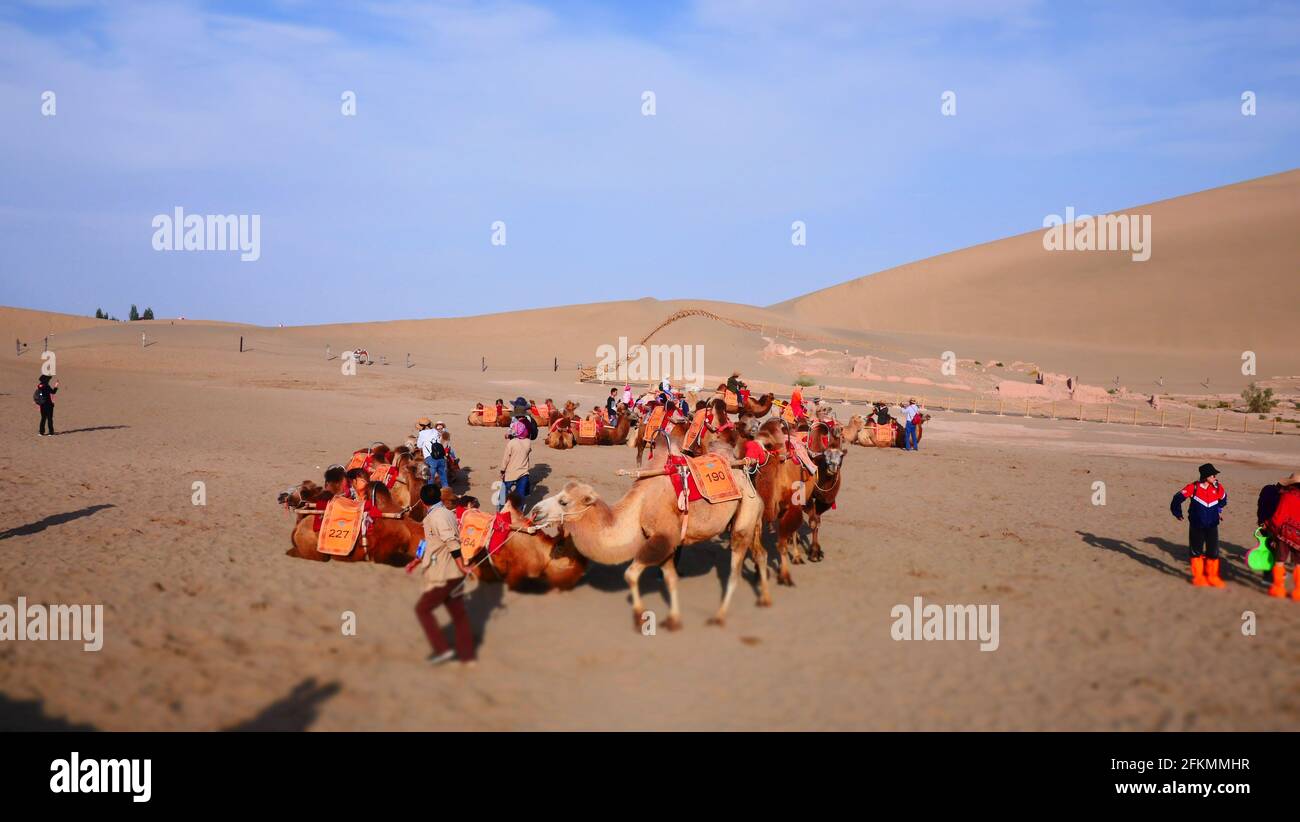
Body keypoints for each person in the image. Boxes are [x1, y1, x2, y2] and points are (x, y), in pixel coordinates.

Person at [407, 485, 475, 666]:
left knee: (422, 609)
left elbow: (451, 542)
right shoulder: (446, 513)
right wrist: (417, 559)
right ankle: (467, 656)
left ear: (422, 501)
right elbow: (429, 541)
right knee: (459, 614)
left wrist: (462, 566)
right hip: (451, 573)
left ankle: (443, 650)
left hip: (445, 573)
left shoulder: (437, 517)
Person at [1171, 463, 1228, 588]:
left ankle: (1212, 577)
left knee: (1213, 552)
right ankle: (1198, 577)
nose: (1215, 477)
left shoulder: (1217, 486)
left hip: (1212, 525)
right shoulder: (1193, 487)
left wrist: (1218, 510)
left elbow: (1223, 500)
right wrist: (1177, 513)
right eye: (1213, 475)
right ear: (1205, 476)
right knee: (1196, 551)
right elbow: (1177, 498)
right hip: (1197, 525)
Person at [1257, 472, 1300, 599]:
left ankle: (1278, 588)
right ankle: (1298, 592)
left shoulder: (1286, 497)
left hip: (1284, 535)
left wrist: (1267, 525)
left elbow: (1278, 518)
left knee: (1280, 560)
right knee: (1298, 564)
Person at [498, 428, 532, 510]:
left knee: (504, 492)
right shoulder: (528, 442)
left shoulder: (511, 443)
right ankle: (518, 513)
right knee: (521, 494)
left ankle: (501, 510)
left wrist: (502, 470)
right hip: (523, 472)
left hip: (511, 472)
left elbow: (506, 459)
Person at [416, 417, 448, 488]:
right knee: (443, 478)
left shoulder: (422, 433)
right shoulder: (435, 431)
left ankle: (431, 495)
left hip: (430, 458)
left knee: (430, 479)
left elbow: (419, 445)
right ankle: (446, 491)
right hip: (441, 457)